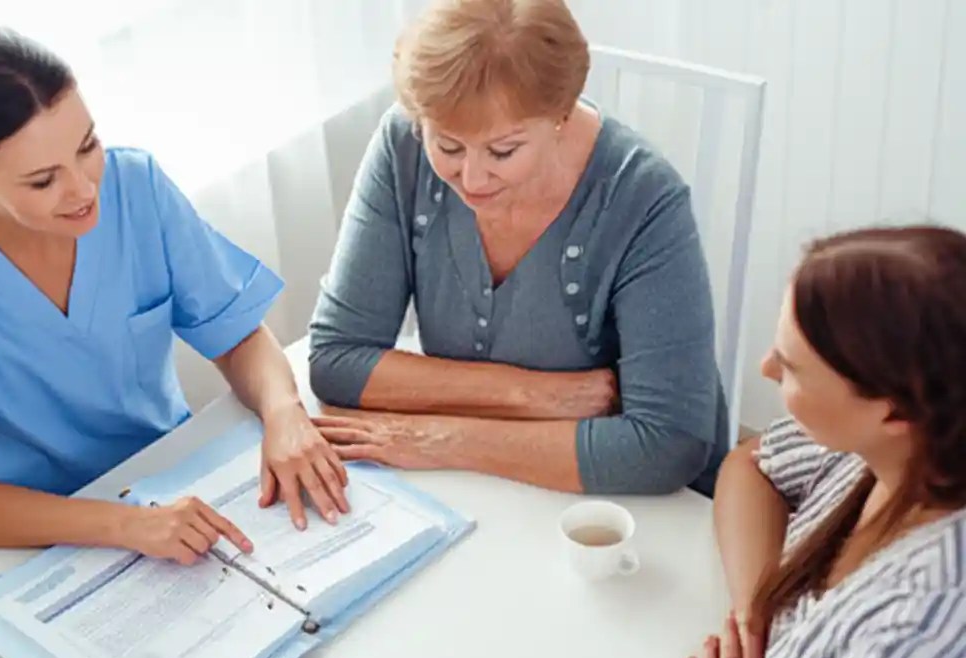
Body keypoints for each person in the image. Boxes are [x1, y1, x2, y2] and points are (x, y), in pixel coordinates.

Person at [0, 25, 348, 567]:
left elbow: (236, 335)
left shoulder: (135, 185)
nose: (84, 189)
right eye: (43, 180)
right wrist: (130, 525)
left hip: (170, 491)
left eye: (87, 146)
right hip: (28, 550)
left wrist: (285, 413)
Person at [307, 0, 727, 496]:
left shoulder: (643, 199)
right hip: (495, 495)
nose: (472, 177)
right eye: (448, 146)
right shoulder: (403, 143)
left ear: (561, 115)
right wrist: (533, 395)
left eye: (503, 151)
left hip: (633, 513)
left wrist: (441, 439)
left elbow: (667, 445)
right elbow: (337, 360)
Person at [676, 226, 966, 658]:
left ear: (893, 411)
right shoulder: (886, 453)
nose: (765, 369)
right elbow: (751, 462)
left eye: (790, 366)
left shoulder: (916, 636)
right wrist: (755, 619)